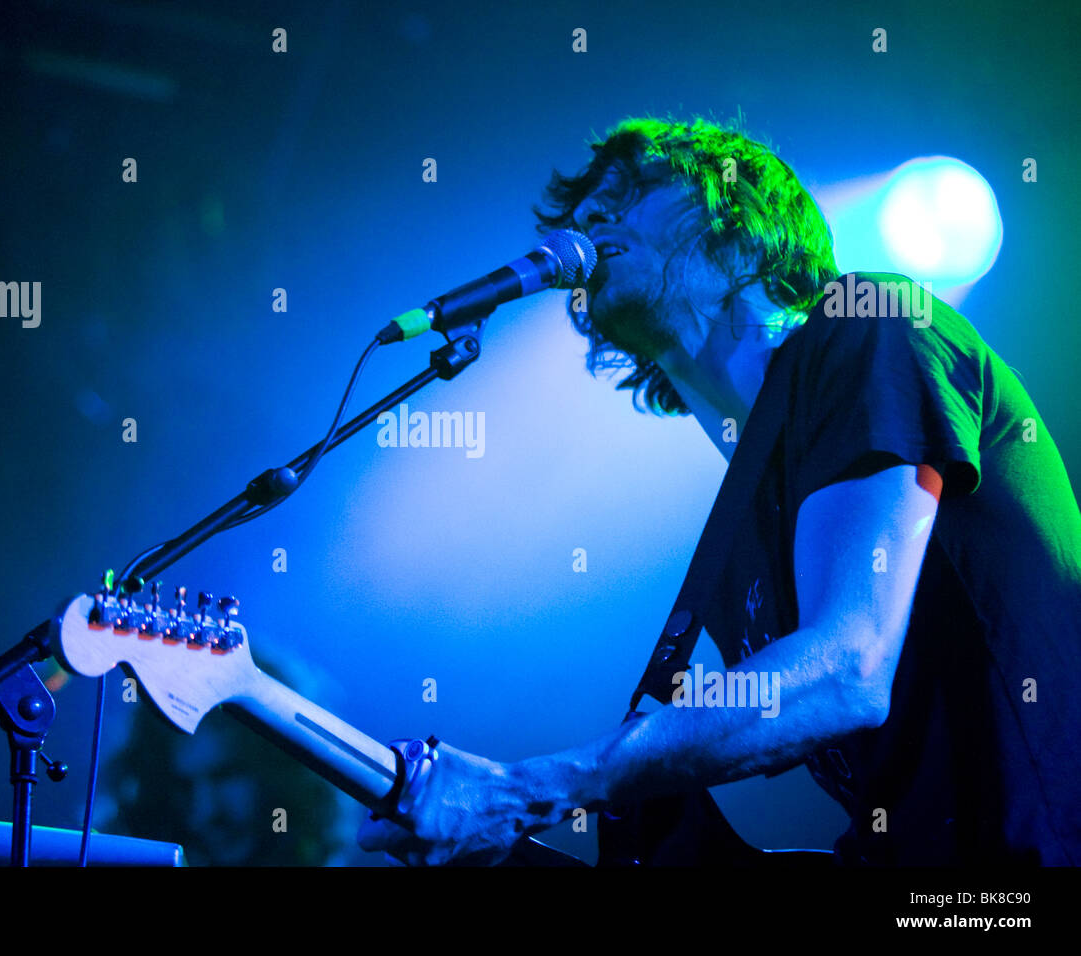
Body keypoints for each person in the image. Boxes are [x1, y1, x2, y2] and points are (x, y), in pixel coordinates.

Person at [357, 116, 1081, 866]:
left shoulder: (872, 325)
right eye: (586, 208)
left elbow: (848, 670)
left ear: (739, 225)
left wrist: (526, 789)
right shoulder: (740, 541)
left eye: (631, 191)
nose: (591, 217)